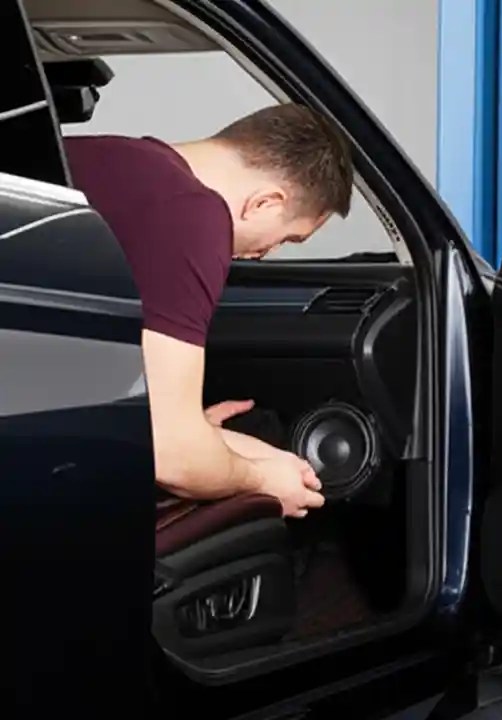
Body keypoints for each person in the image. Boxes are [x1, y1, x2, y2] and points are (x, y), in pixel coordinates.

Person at [63, 103, 354, 517]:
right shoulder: (191, 217)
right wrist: (261, 480)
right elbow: (172, 456)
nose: (264, 254)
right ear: (266, 203)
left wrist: (204, 438)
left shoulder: (99, 155)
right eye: (287, 239)